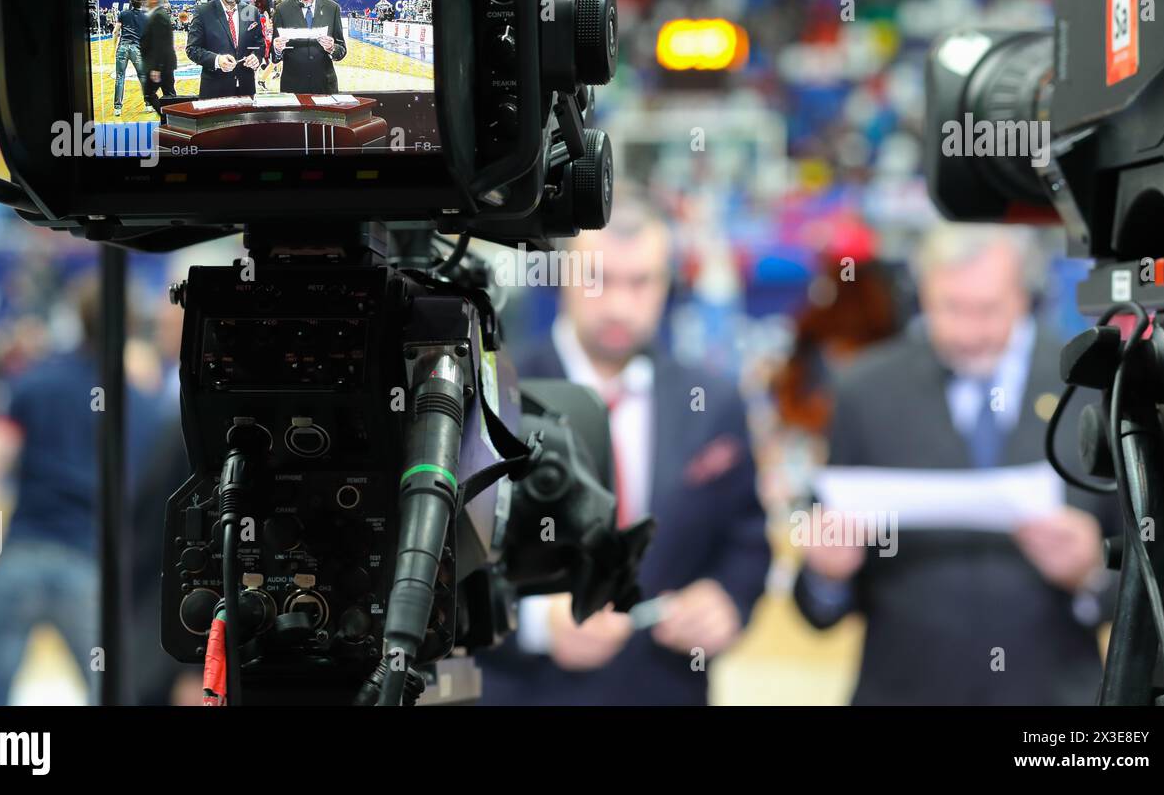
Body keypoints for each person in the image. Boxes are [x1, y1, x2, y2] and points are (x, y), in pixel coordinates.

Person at [793, 223, 1120, 705]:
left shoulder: (1092, 386)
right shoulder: (865, 390)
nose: (968, 332)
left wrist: (1091, 575)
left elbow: (1149, 569)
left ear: (1025, 295)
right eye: (949, 307)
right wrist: (826, 574)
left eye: (987, 309)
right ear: (921, 293)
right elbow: (818, 602)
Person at [477, 192, 770, 705]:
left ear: (667, 284)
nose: (619, 305)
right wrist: (538, 625)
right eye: (599, 279)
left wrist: (728, 599)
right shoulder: (494, 393)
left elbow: (747, 536)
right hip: (526, 691)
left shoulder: (714, 401)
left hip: (667, 685)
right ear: (565, 273)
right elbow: (449, 557)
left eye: (641, 282)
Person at [0, 274, 162, 705]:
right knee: (112, 693)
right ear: (130, 326)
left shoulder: (35, 383)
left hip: (22, 558)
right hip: (92, 569)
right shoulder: (140, 406)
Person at [187, 0, 263, 99]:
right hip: (215, 90)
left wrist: (256, 56)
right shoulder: (203, 12)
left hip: (246, 89)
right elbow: (192, 49)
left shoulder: (251, 11)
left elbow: (259, 43)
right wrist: (217, 60)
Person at [272, 0, 348, 94]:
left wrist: (332, 48)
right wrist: (277, 49)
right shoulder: (282, 10)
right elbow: (274, 56)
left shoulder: (332, 8)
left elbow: (342, 50)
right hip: (292, 87)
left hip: (324, 86)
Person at [110, 0, 150, 117]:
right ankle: (148, 105)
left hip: (122, 47)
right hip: (137, 49)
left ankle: (117, 108)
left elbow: (116, 31)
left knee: (120, 77)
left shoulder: (123, 13)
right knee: (143, 76)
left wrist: (114, 47)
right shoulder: (146, 16)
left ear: (131, 3)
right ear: (141, 3)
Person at [140, 0, 177, 112]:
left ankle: (167, 119)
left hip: (160, 66)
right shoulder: (158, 14)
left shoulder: (158, 16)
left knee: (150, 93)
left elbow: (160, 44)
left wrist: (156, 68)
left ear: (154, 0)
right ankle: (171, 120)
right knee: (169, 95)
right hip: (164, 65)